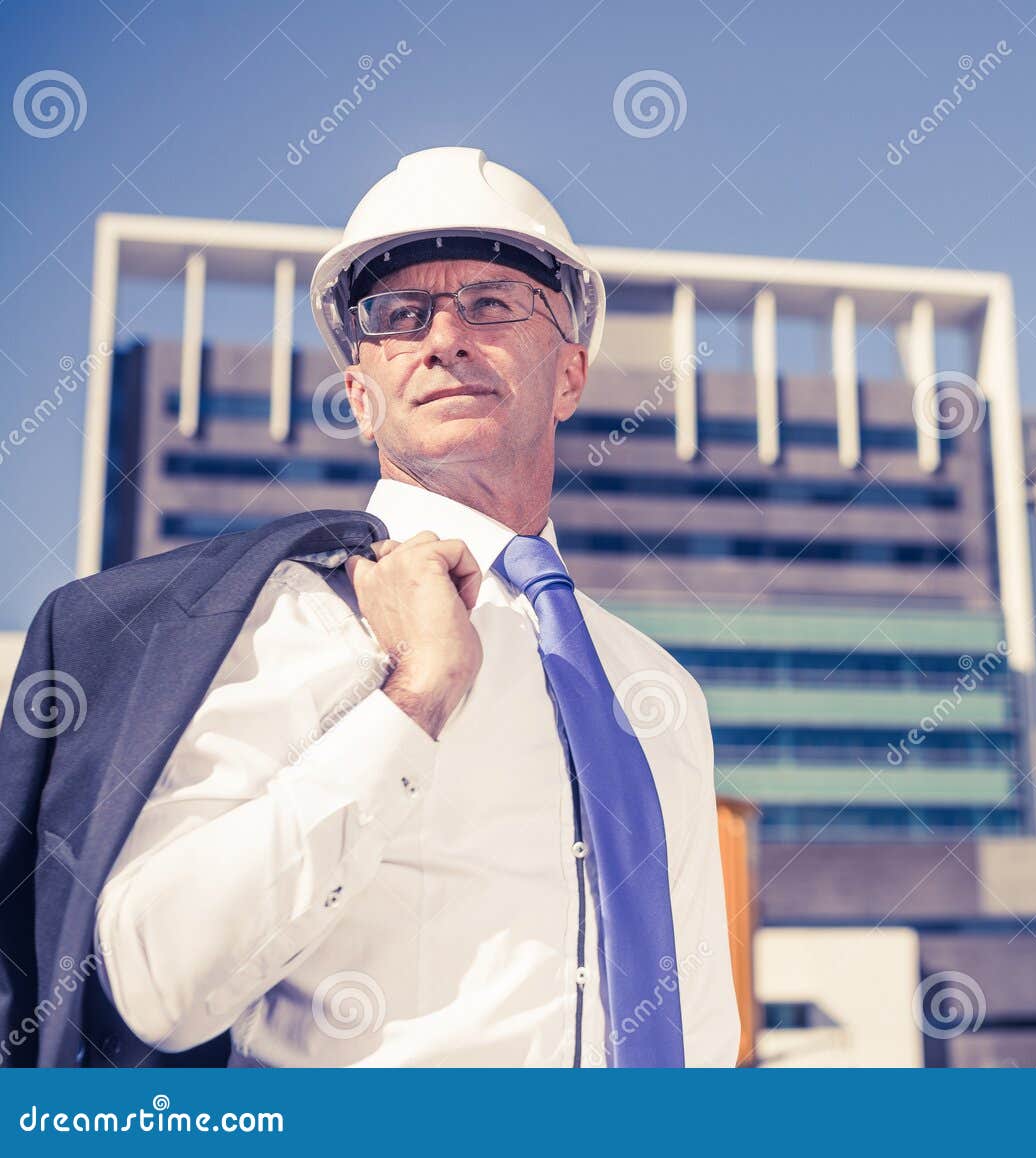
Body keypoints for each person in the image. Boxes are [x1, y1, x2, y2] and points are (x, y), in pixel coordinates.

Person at [88, 147, 740, 1067]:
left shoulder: (656, 689)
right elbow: (154, 980)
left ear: (570, 376)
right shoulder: (276, 624)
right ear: (361, 397)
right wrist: (412, 702)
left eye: (492, 303)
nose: (444, 338)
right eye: (400, 316)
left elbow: (700, 1022)